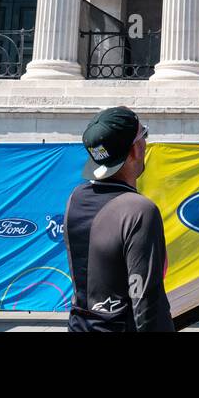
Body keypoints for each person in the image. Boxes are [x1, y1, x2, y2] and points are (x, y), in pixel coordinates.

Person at [64, 106, 173, 332]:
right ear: (135, 150)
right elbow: (147, 303)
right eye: (145, 135)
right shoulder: (139, 210)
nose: (146, 142)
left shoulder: (75, 199)